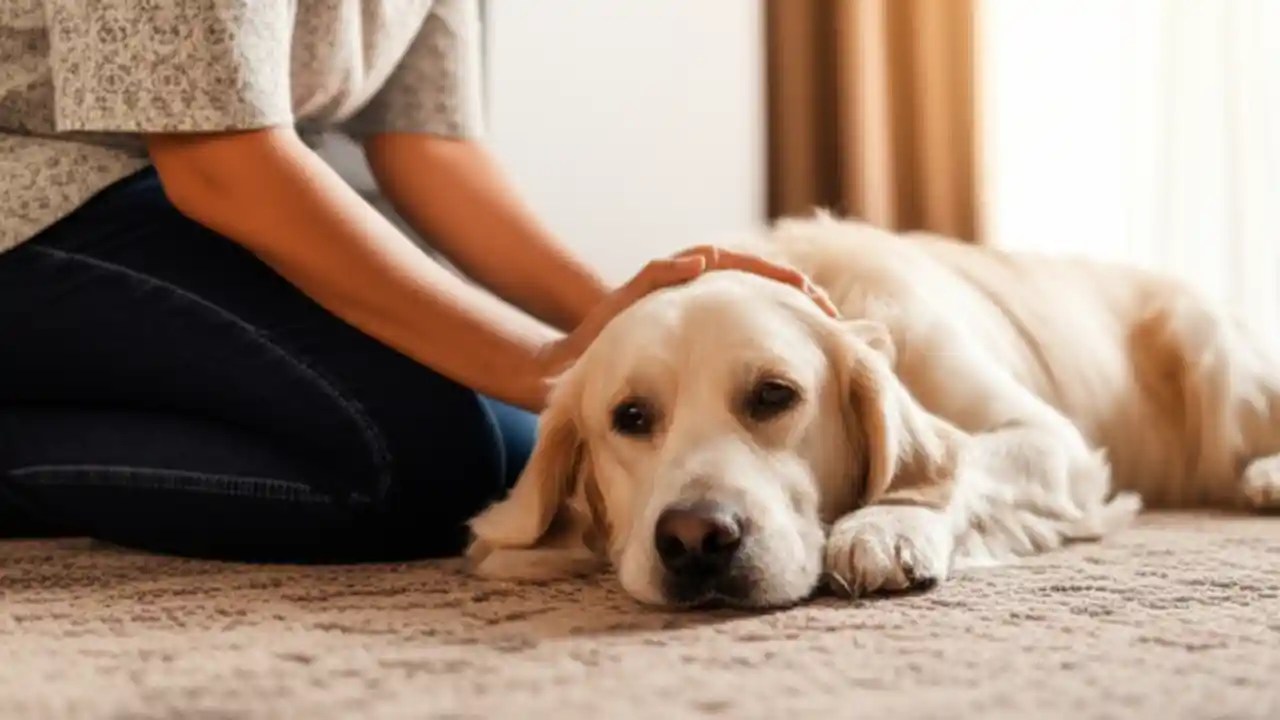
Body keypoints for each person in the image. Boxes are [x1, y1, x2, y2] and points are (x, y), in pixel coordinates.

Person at [0, 1, 835, 563]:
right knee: (416, 464)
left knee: (518, 448)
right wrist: (539, 356)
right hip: (41, 195)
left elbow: (425, 145)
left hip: (181, 194)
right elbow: (220, 163)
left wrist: (628, 326)